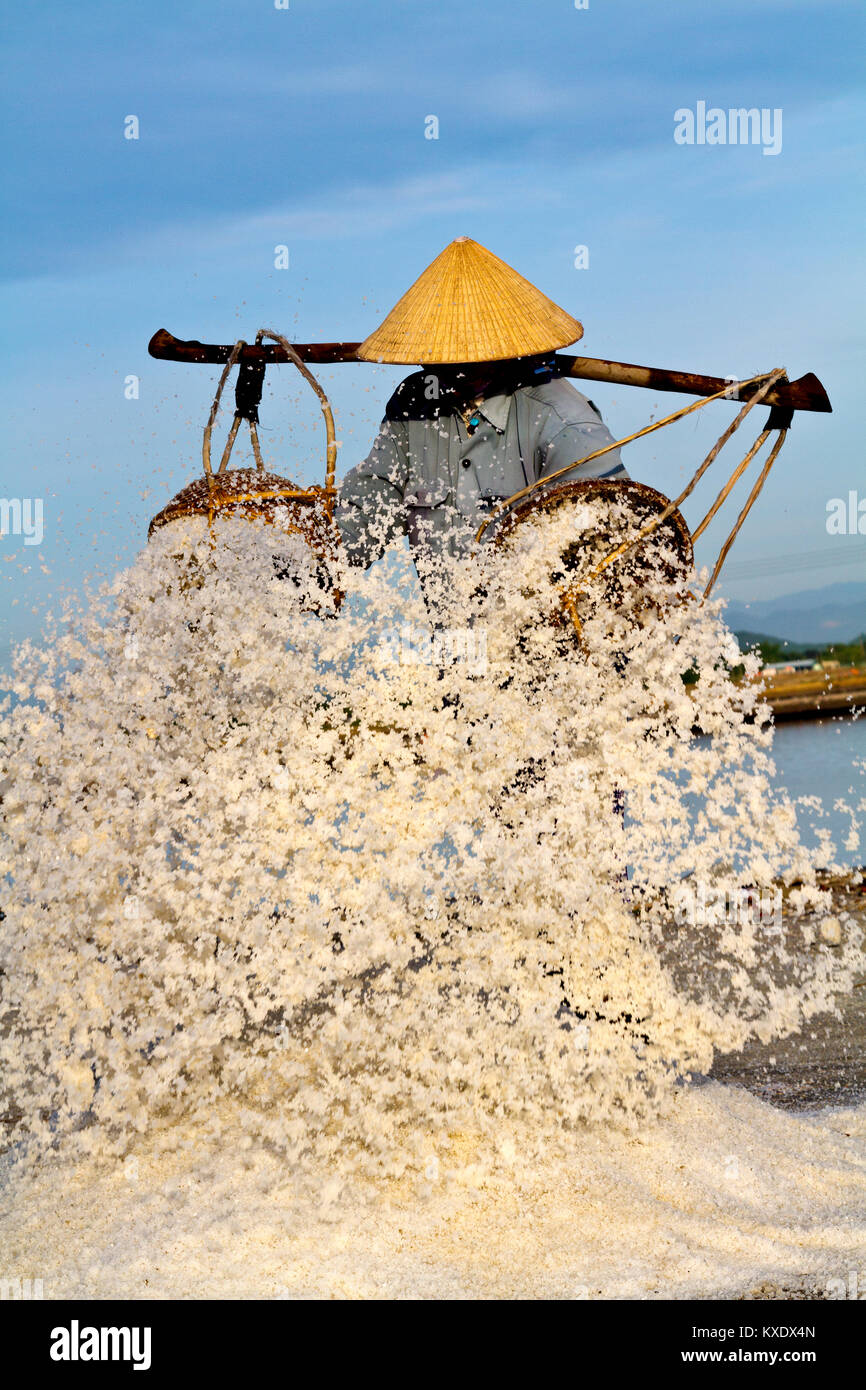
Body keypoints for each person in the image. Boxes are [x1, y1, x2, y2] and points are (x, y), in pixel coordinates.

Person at [335, 237, 628, 615]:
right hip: (452, 655)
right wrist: (322, 562)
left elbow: (609, 546)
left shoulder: (562, 421)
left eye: (469, 358)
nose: (453, 370)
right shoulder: (414, 406)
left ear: (504, 350)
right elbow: (374, 502)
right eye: (441, 357)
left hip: (542, 655)